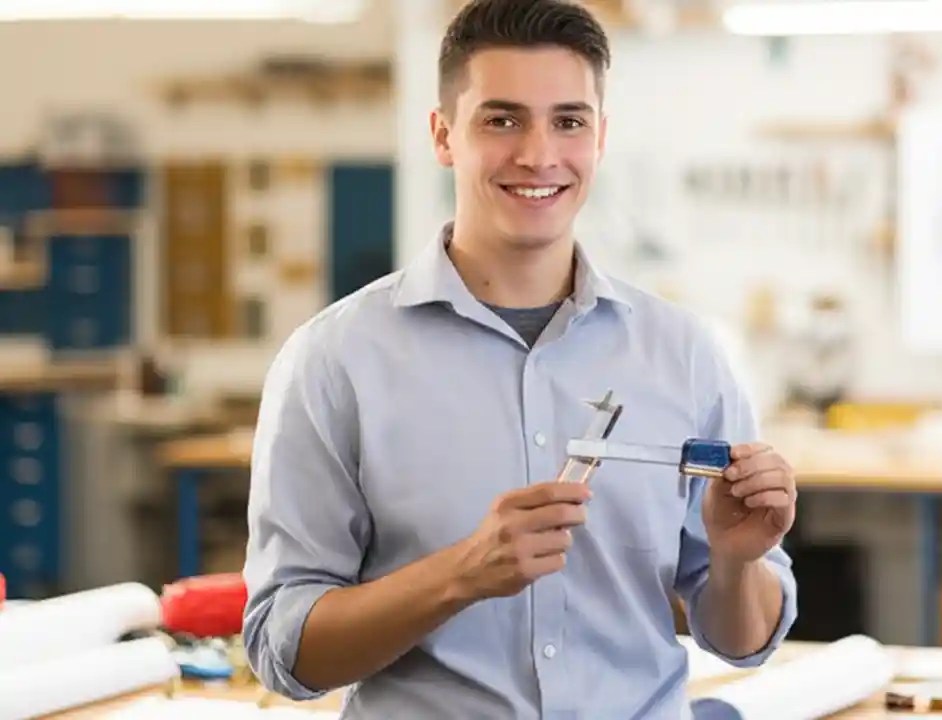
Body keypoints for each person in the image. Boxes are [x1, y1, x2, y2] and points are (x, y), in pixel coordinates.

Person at [241, 0, 800, 717]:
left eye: (568, 121)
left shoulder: (686, 354)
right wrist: (458, 576)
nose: (539, 155)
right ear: (444, 136)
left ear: (600, 138)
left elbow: (741, 642)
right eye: (501, 120)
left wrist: (736, 559)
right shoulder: (334, 361)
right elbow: (283, 651)